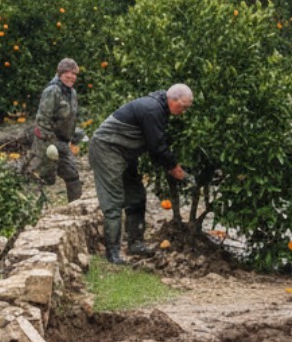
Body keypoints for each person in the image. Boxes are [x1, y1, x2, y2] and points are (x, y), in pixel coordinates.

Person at [88, 83, 193, 264]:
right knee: (113, 200)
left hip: (124, 153)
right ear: (173, 99)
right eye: (182, 107)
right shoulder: (152, 110)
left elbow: (156, 145)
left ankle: (135, 243)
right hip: (107, 149)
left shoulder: (159, 108)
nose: (183, 111)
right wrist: (176, 169)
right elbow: (157, 147)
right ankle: (112, 253)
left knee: (136, 195)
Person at [30, 58, 84, 202]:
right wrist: (49, 141)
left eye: (74, 74)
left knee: (72, 175)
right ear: (60, 73)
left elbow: (69, 118)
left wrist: (75, 133)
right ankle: (29, 205)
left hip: (62, 143)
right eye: (68, 73)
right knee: (45, 178)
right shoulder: (52, 91)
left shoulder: (72, 93)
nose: (72, 77)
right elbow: (42, 119)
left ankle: (76, 209)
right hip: (47, 142)